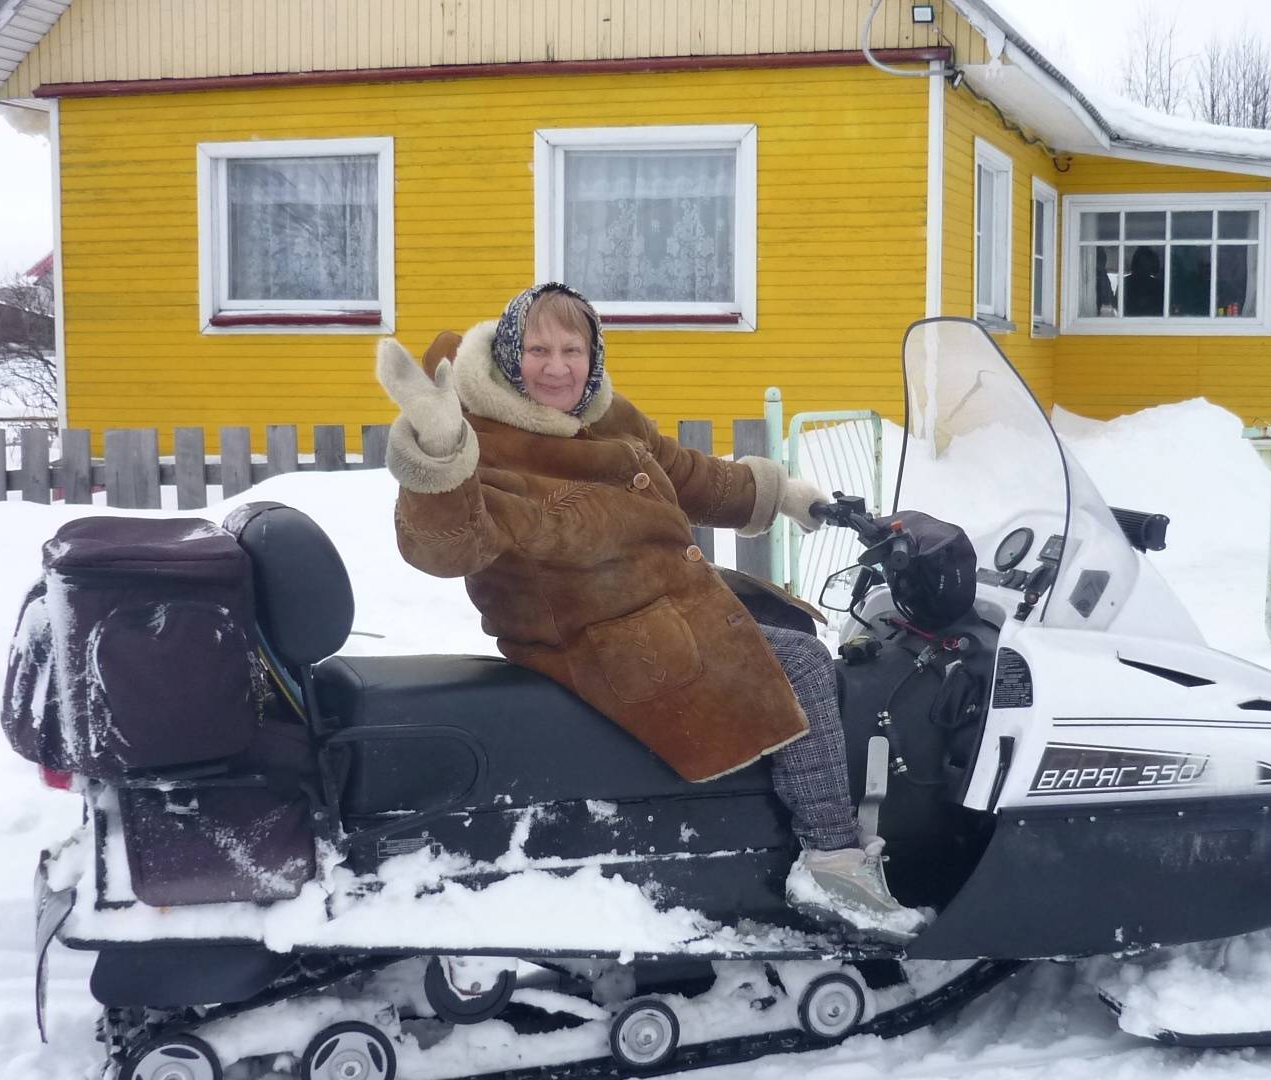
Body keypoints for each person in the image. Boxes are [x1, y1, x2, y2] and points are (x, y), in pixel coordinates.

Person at [374, 282, 925, 940]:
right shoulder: (484, 441)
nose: (556, 366)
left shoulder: (604, 418)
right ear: (511, 356)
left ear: (593, 357)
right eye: (539, 349)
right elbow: (446, 546)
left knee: (792, 627)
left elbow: (683, 473)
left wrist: (784, 496)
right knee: (802, 663)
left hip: (653, 605)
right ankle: (832, 861)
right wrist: (438, 453)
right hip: (590, 637)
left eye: (572, 349)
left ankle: (767, 824)